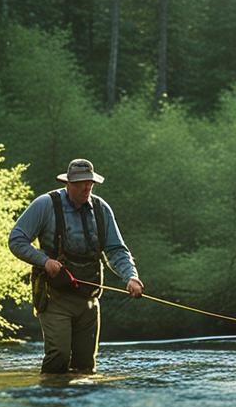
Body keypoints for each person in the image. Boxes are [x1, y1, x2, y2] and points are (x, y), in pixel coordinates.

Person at [9, 158, 143, 374]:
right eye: (80, 182)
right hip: (54, 297)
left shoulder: (102, 209)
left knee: (85, 365)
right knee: (59, 356)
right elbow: (16, 240)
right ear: (68, 183)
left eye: (89, 182)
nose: (86, 186)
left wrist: (131, 277)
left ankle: (80, 406)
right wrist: (44, 261)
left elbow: (116, 250)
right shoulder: (45, 204)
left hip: (89, 299)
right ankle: (52, 403)